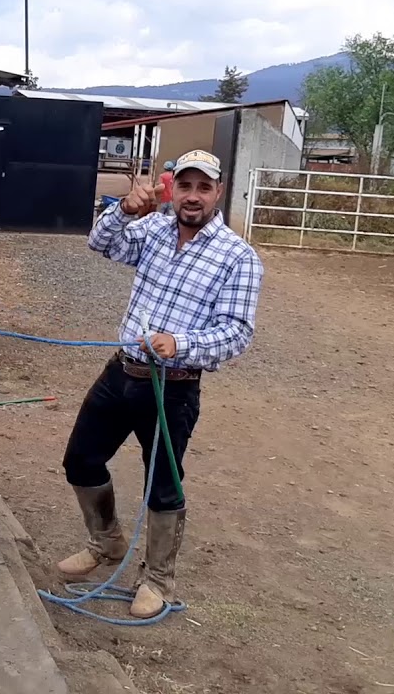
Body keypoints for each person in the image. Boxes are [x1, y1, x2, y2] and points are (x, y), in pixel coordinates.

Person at [56, 149, 263, 618]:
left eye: (203, 187)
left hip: (174, 387)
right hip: (121, 371)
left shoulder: (238, 257)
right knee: (81, 460)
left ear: (218, 192)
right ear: (175, 189)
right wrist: (123, 211)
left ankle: (157, 579)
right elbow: (101, 244)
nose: (193, 196)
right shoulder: (153, 229)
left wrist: (180, 343)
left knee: (163, 483)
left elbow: (237, 333)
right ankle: (106, 543)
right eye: (185, 186)